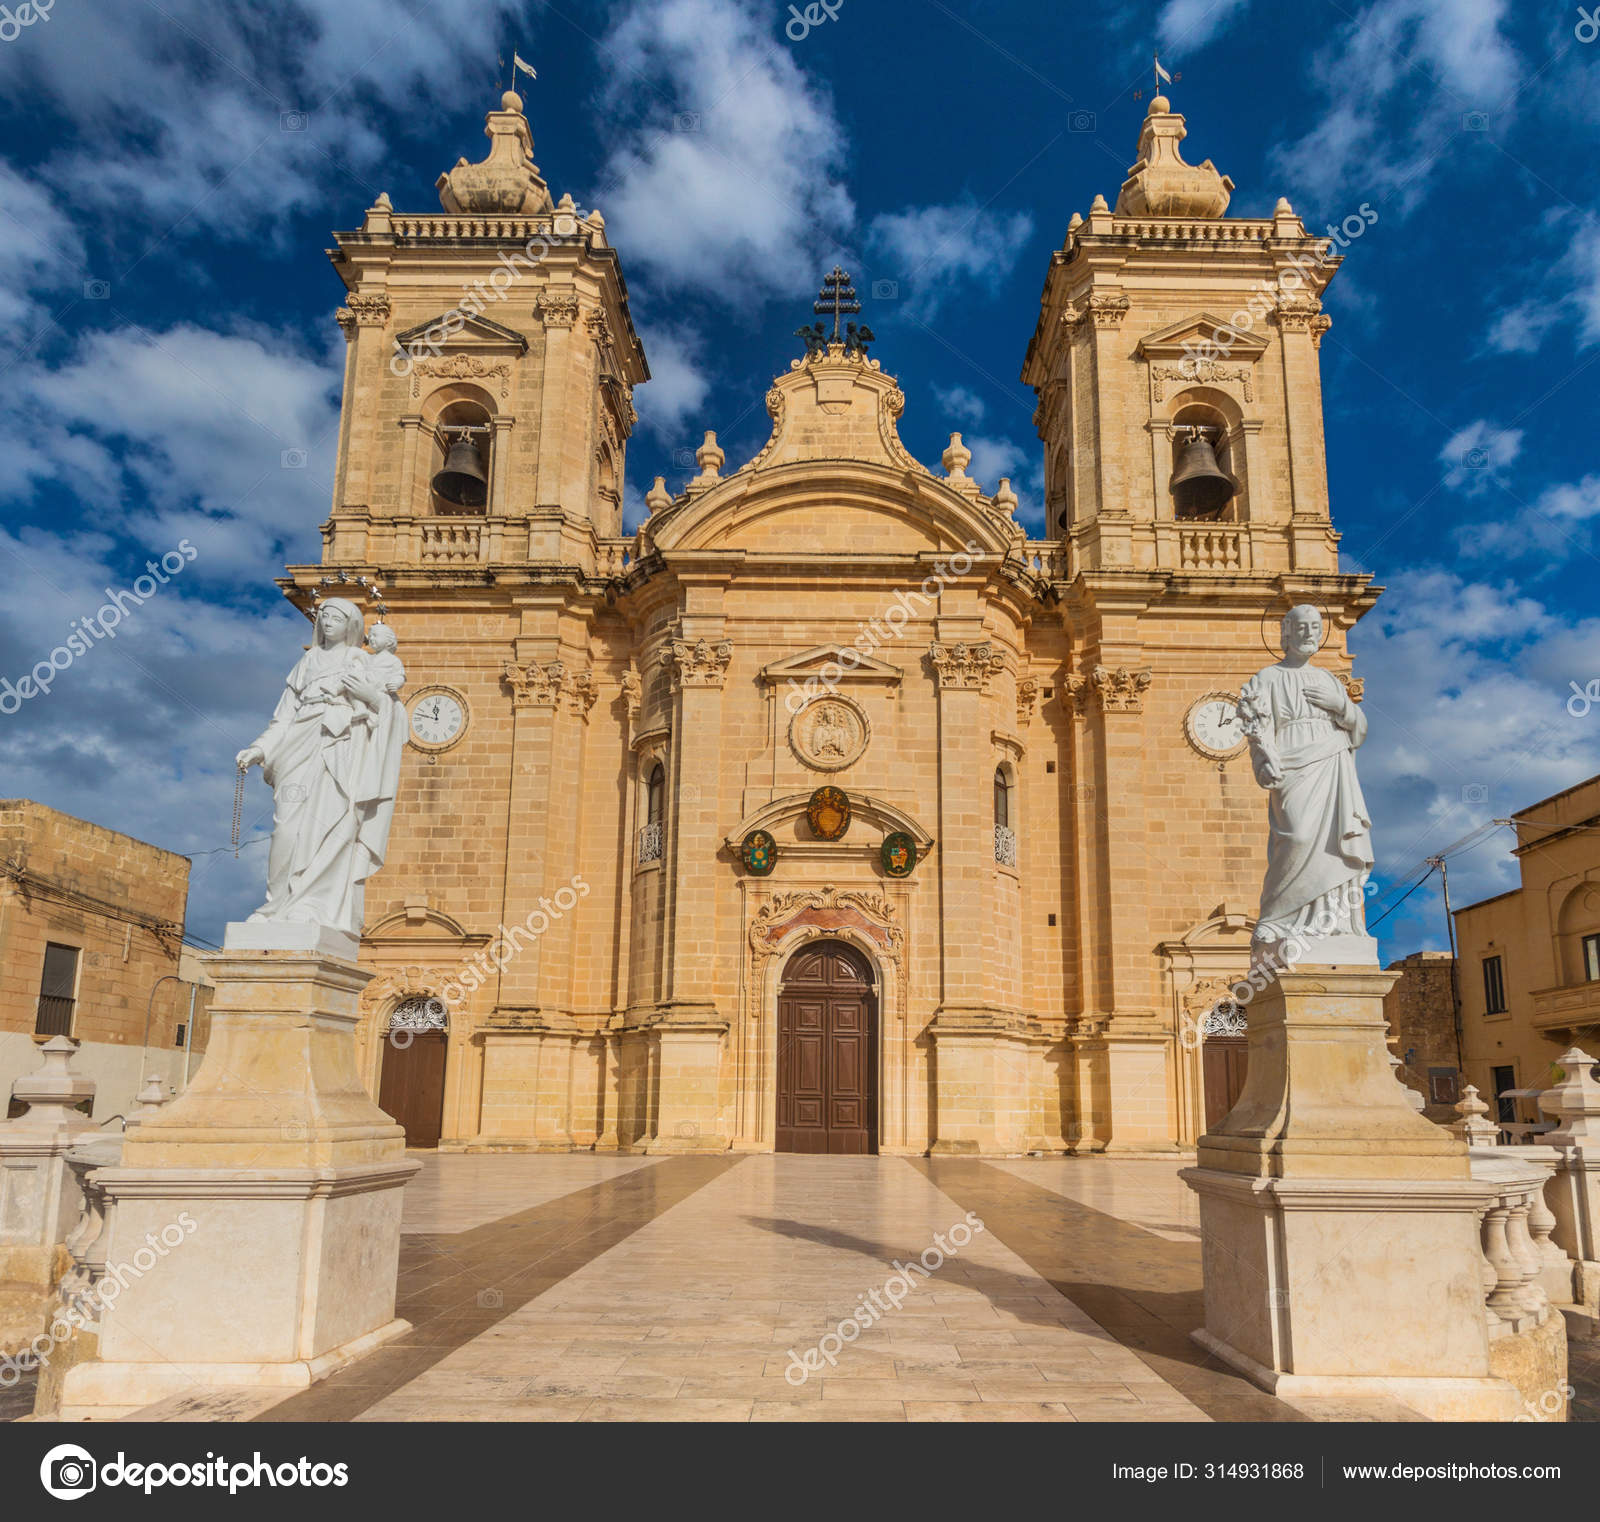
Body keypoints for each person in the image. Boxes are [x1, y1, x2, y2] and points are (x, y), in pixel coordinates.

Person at [234, 599, 406, 938]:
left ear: (351, 625)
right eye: (323, 615)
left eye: (336, 617)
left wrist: (371, 696)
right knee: (286, 830)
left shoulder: (359, 660)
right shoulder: (308, 661)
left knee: (329, 826)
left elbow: (387, 708)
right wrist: (260, 747)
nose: (327, 621)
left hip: (340, 748)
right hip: (300, 744)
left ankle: (311, 905)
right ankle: (275, 905)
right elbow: (284, 717)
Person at [1238, 604, 1373, 959]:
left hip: (1331, 762)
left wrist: (1340, 706)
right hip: (1293, 764)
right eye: (1302, 626)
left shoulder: (1329, 679)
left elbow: (1358, 730)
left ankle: (1332, 921)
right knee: (1296, 837)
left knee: (1332, 843)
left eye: (1316, 626)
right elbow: (1257, 727)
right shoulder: (1266, 678)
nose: (1310, 633)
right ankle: (1280, 917)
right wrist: (1263, 760)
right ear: (1286, 632)